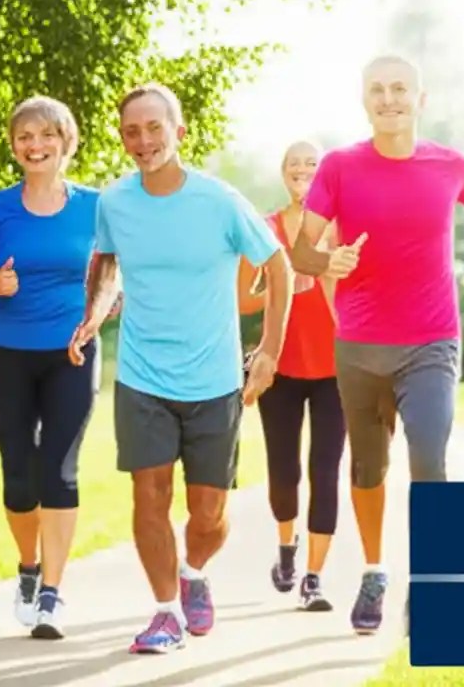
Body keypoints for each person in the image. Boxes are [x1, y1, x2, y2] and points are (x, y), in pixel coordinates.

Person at [69, 83, 300, 655]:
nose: (143, 140)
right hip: (143, 376)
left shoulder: (219, 201)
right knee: (148, 497)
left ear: (179, 131)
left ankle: (195, 570)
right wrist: (93, 315)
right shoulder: (115, 202)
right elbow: (105, 264)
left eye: (154, 128)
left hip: (214, 380)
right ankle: (165, 610)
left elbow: (278, 266)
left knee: (208, 515)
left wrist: (269, 351)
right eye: (131, 131)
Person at [287, 54, 464, 635]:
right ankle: (375, 570)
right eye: (378, 90)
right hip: (358, 347)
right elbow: (300, 251)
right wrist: (325, 259)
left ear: (421, 98)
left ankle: (430, 582)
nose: (390, 99)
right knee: (367, 467)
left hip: (432, 342)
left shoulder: (450, 165)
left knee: (429, 458)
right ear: (364, 100)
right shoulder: (338, 167)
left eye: (400, 89)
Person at [0, 95, 101, 640]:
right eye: (24, 137)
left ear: (67, 141)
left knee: (59, 468)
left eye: (46, 136)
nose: (35, 146)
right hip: (9, 353)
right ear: (14, 146)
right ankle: (28, 568)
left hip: (72, 352)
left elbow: (118, 277)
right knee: (20, 475)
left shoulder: (95, 208)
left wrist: (99, 315)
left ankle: (54, 596)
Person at [238, 140, 346, 613]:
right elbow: (243, 300)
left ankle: (315, 579)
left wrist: (321, 269)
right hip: (278, 366)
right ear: (283, 175)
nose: (303, 171)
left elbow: (354, 306)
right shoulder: (264, 230)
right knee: (284, 472)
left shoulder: (343, 231)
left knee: (326, 472)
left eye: (312, 165)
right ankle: (287, 549)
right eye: (294, 165)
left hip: (336, 370)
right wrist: (286, 283)